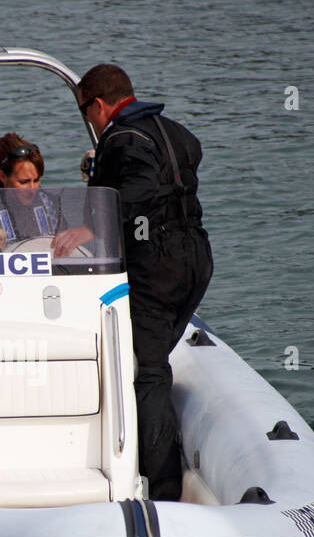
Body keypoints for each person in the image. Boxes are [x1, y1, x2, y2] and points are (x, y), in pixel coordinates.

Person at [76, 63, 213, 500]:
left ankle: (163, 489)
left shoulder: (121, 138)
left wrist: (90, 229)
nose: (90, 123)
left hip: (158, 267)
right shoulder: (172, 130)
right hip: (198, 261)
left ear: (99, 105)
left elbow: (137, 189)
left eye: (86, 112)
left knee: (149, 372)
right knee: (149, 359)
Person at [0, 132, 92, 256]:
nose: (33, 188)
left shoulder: (51, 207)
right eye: (24, 182)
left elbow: (65, 252)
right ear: (2, 176)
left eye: (37, 180)